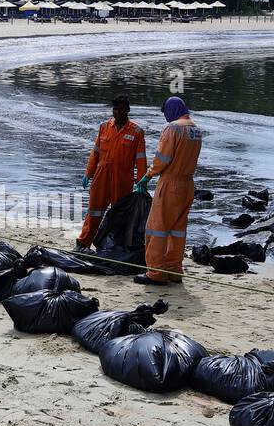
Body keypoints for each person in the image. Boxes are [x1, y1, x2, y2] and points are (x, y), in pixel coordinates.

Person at [133, 96, 203, 286]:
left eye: (165, 113)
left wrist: (147, 176)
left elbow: (162, 159)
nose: (165, 117)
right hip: (188, 184)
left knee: (157, 228)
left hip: (170, 183)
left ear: (171, 110)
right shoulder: (196, 130)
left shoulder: (172, 128)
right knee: (178, 230)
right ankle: (174, 270)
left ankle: (155, 273)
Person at [77, 97, 146, 250]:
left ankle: (114, 246)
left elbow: (141, 159)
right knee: (94, 211)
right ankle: (83, 242)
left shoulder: (137, 132)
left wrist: (142, 182)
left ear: (128, 110)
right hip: (101, 176)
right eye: (115, 109)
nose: (118, 112)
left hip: (122, 179)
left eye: (121, 109)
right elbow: (95, 152)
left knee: (119, 214)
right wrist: (88, 173)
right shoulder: (104, 127)